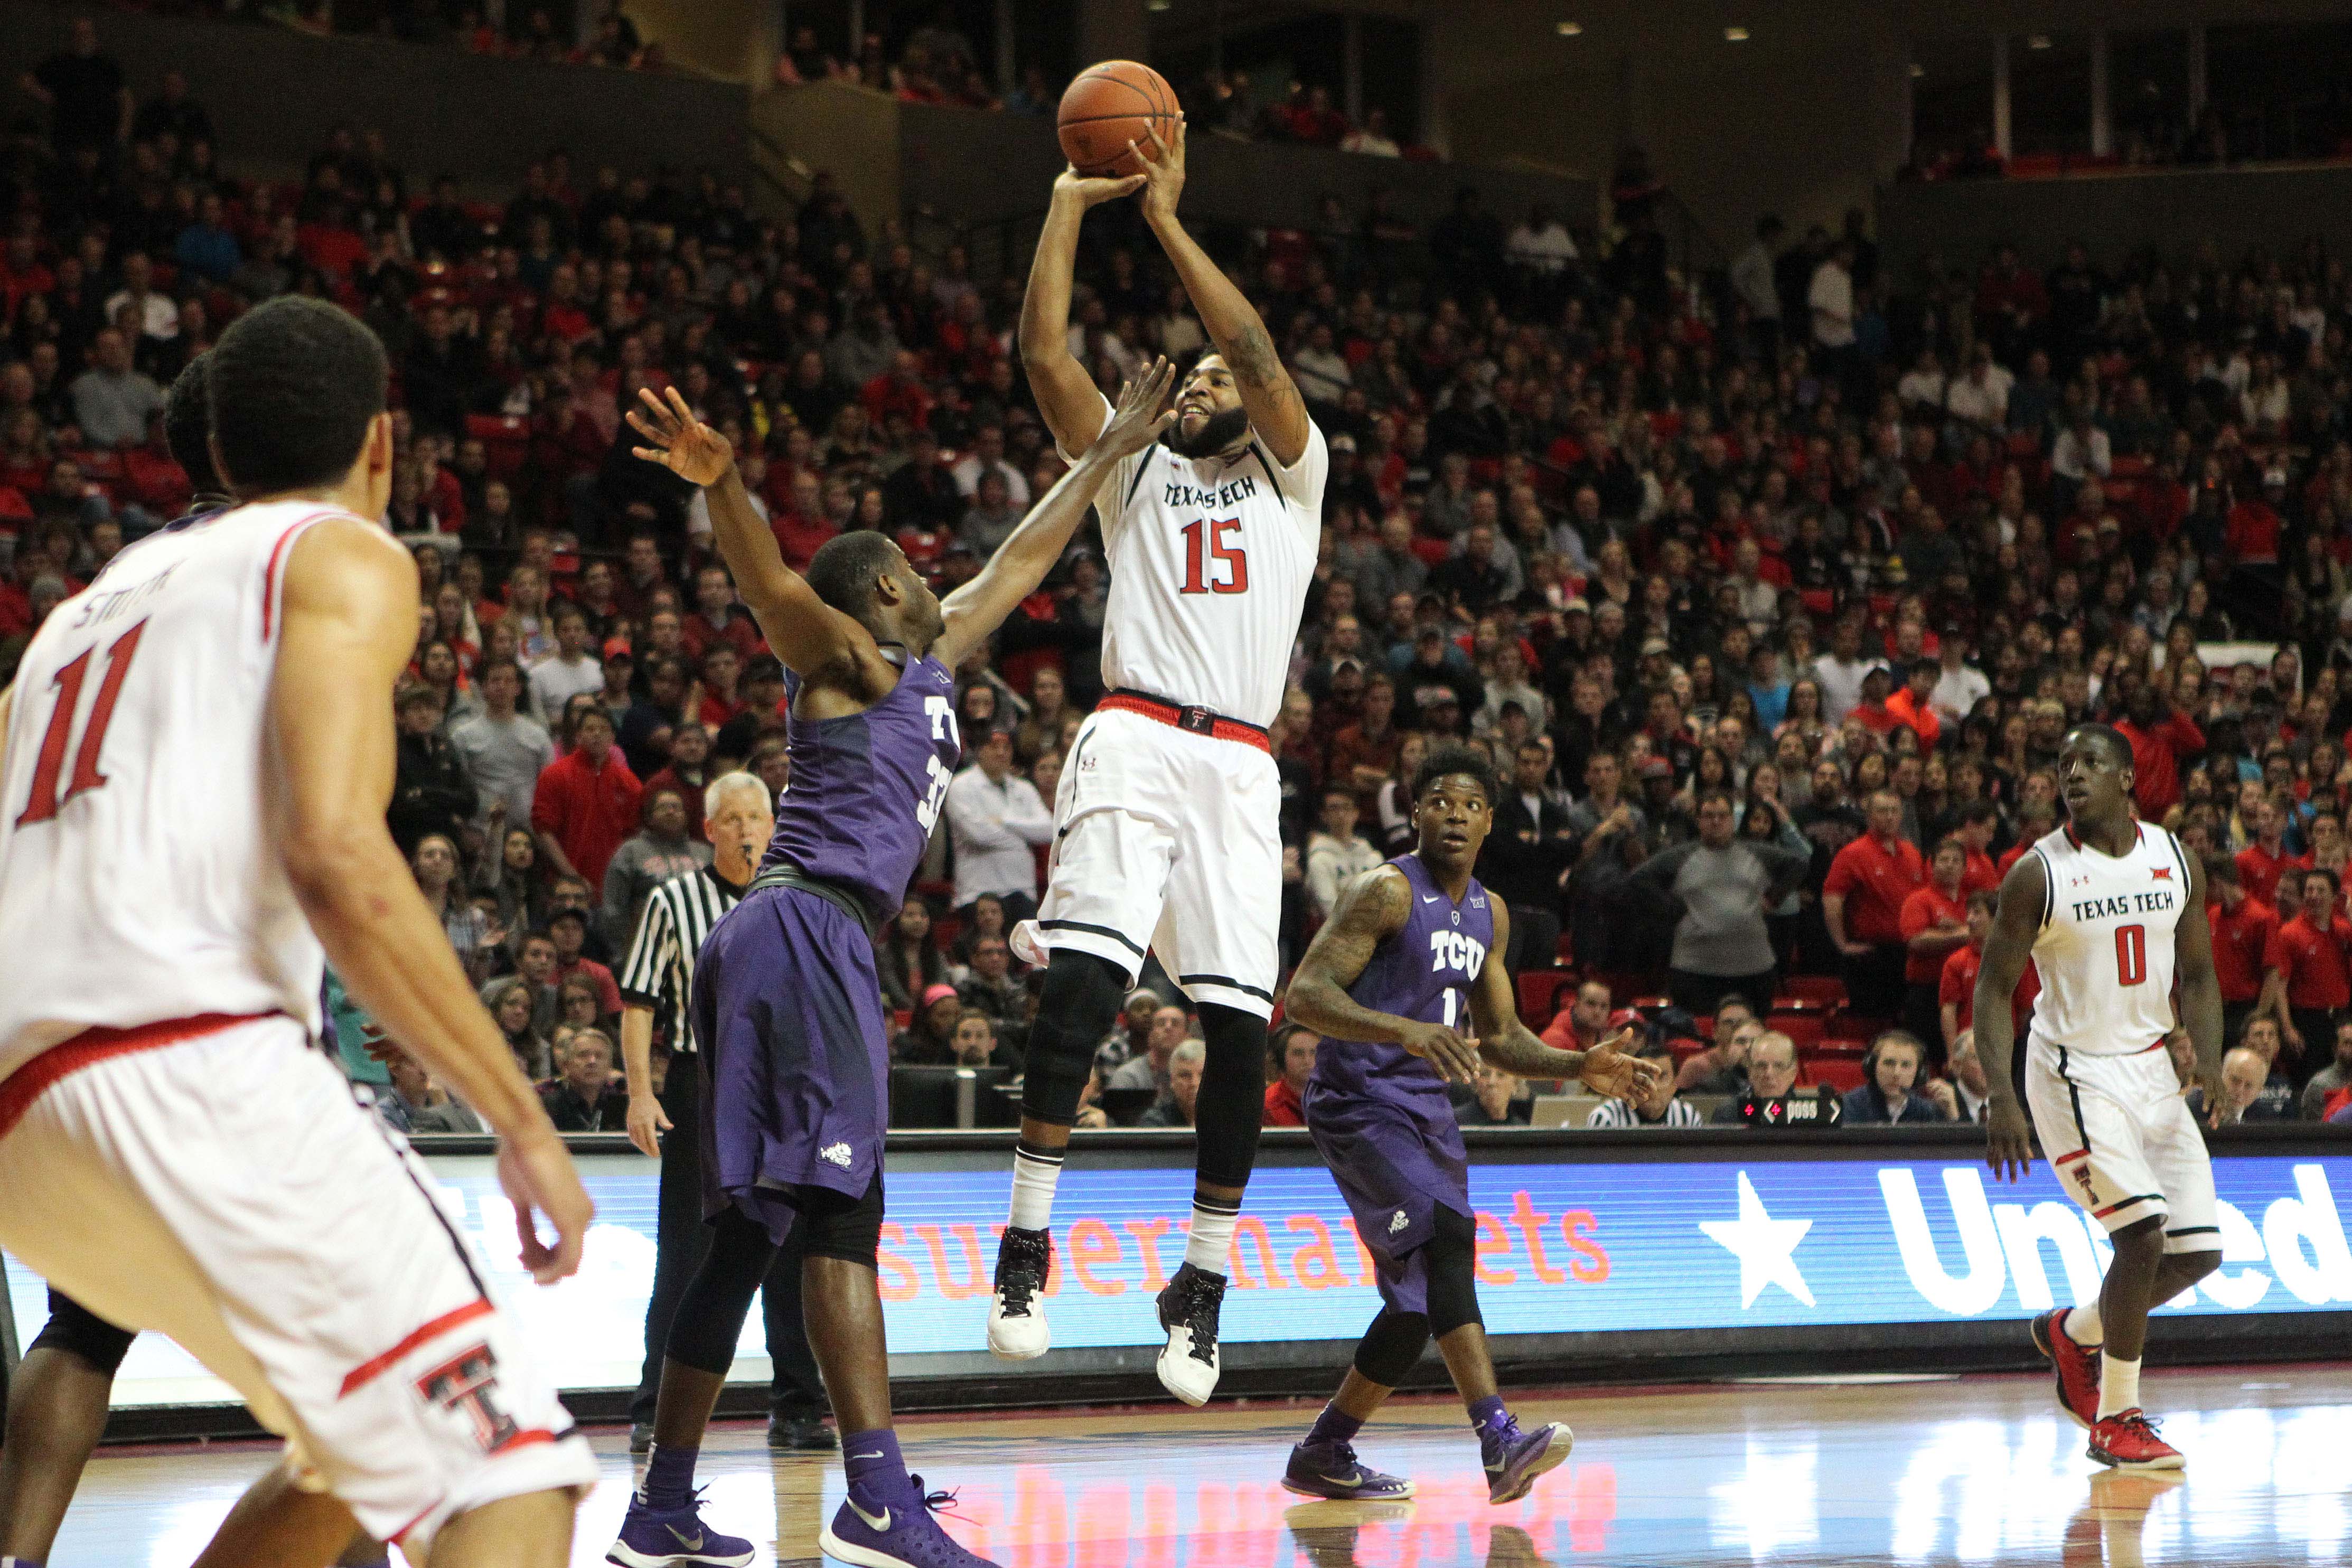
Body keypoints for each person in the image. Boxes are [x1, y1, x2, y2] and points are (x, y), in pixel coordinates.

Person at [0, 295, 595, 1564]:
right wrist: (523, 1121)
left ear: (218, 451)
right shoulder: (338, 553)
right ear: (382, 443)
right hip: (184, 1060)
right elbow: (335, 850)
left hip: (24, 1130)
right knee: (512, 1473)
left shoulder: (69, 626)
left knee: (352, 1457)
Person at [607, 364, 1175, 1567]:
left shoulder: (927, 658)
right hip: (807, 929)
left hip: (795, 936)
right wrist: (724, 487)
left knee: (749, 1234)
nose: (934, 582)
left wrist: (1105, 453)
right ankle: (874, 1497)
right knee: (842, 1211)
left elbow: (1017, 561)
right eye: (915, 572)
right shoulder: (849, 656)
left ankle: (659, 1504)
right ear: (881, 588)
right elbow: (767, 587)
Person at [992, 116, 1330, 1407]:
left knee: (1241, 1032)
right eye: (1180, 380)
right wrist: (1069, 201)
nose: (1193, 387)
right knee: (1083, 989)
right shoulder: (1132, 471)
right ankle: (1026, 1243)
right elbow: (1043, 356)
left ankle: (1202, 1280)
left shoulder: (1295, 477)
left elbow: (1254, 350)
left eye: (1208, 382)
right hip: (1135, 733)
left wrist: (1167, 220)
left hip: (1239, 766)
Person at [1276, 744, 1654, 1505]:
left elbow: (1502, 1035)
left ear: (1488, 823)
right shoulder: (1385, 891)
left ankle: (1323, 1450)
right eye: (1440, 801)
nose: (1454, 814)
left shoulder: (1490, 912)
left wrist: (1577, 1063)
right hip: (1358, 1099)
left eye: (1471, 805)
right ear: (1415, 813)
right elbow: (1305, 996)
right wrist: (1402, 1029)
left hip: (1426, 1108)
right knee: (1447, 1237)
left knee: (1421, 1300)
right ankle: (1498, 1439)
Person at [1973, 723, 2226, 1471]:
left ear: (2127, 778)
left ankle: (2073, 1331)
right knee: (2141, 1237)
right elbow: (1992, 989)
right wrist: (1999, 1096)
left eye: (2090, 761)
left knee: (2198, 1253)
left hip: (2150, 1068)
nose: (2072, 774)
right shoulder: (2038, 873)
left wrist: (2210, 1061)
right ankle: (2117, 1419)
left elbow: (2200, 974)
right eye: (2064, 764)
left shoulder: (2174, 858)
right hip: (2072, 1070)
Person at [614, 772, 833, 1453]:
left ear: (774, 826)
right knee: (686, 1247)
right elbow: (638, 1002)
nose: (745, 830)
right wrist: (641, 1092)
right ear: (709, 830)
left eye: (755, 817)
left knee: (790, 1248)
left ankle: (797, 1406)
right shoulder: (672, 899)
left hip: (783, 1083)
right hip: (701, 1079)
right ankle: (655, 1407)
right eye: (731, 818)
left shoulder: (797, 898)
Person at [1631, 789, 1808, 1018]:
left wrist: (1773, 898)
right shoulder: (1679, 857)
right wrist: (1673, 910)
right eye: (1709, 816)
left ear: (1733, 820)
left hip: (1753, 970)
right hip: (1694, 970)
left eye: (1723, 815)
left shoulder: (1758, 853)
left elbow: (1799, 864)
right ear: (1698, 821)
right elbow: (1639, 880)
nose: (1716, 822)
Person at [1823, 788, 1926, 1018]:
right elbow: (1832, 901)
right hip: (1870, 955)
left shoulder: (1911, 852)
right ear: (1869, 816)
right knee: (1871, 1021)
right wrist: (1842, 944)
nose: (1889, 817)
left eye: (1894, 811)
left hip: (1907, 953)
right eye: (1882, 811)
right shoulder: (1853, 854)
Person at [942, 726, 1053, 924]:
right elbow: (978, 835)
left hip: (1022, 891)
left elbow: (1048, 830)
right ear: (980, 751)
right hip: (978, 892)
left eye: (1007, 748)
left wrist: (1003, 822)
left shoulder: (1024, 788)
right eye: (994, 747)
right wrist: (1024, 838)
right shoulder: (961, 786)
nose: (1001, 753)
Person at [1840, 1029, 1949, 1124]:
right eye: (1889, 1063)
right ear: (1873, 1067)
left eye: (1906, 1065)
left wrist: (1952, 1113)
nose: (1897, 1073)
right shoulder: (1850, 1105)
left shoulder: (1927, 1111)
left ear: (1919, 1073)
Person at [1585, 1040, 1703, 1126]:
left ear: (1675, 1085)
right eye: (1646, 1077)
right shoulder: (1606, 1117)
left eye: (1663, 1077)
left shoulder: (1688, 1116)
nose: (1654, 1086)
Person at [1710, 1030, 1800, 1123]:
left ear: (1793, 1073)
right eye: (1761, 1066)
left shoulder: (1805, 1112)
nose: (1769, 1074)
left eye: (1778, 1066)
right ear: (1750, 1071)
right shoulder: (1729, 1113)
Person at [1137, 1039, 1206, 1127]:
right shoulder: (1154, 1122)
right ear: (1172, 1081)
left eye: (1203, 1075)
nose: (1194, 1083)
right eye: (1185, 1075)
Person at [1262, 1021, 1317, 1127]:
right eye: (1298, 1053)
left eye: (1314, 1053)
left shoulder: (1336, 1099)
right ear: (1281, 1060)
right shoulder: (1268, 1107)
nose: (1307, 1061)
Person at [1457, 1063, 1531, 1126]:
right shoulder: (1455, 1122)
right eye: (1485, 1074)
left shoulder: (1522, 1129)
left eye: (1501, 1075)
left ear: (1516, 1084)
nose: (1492, 1082)